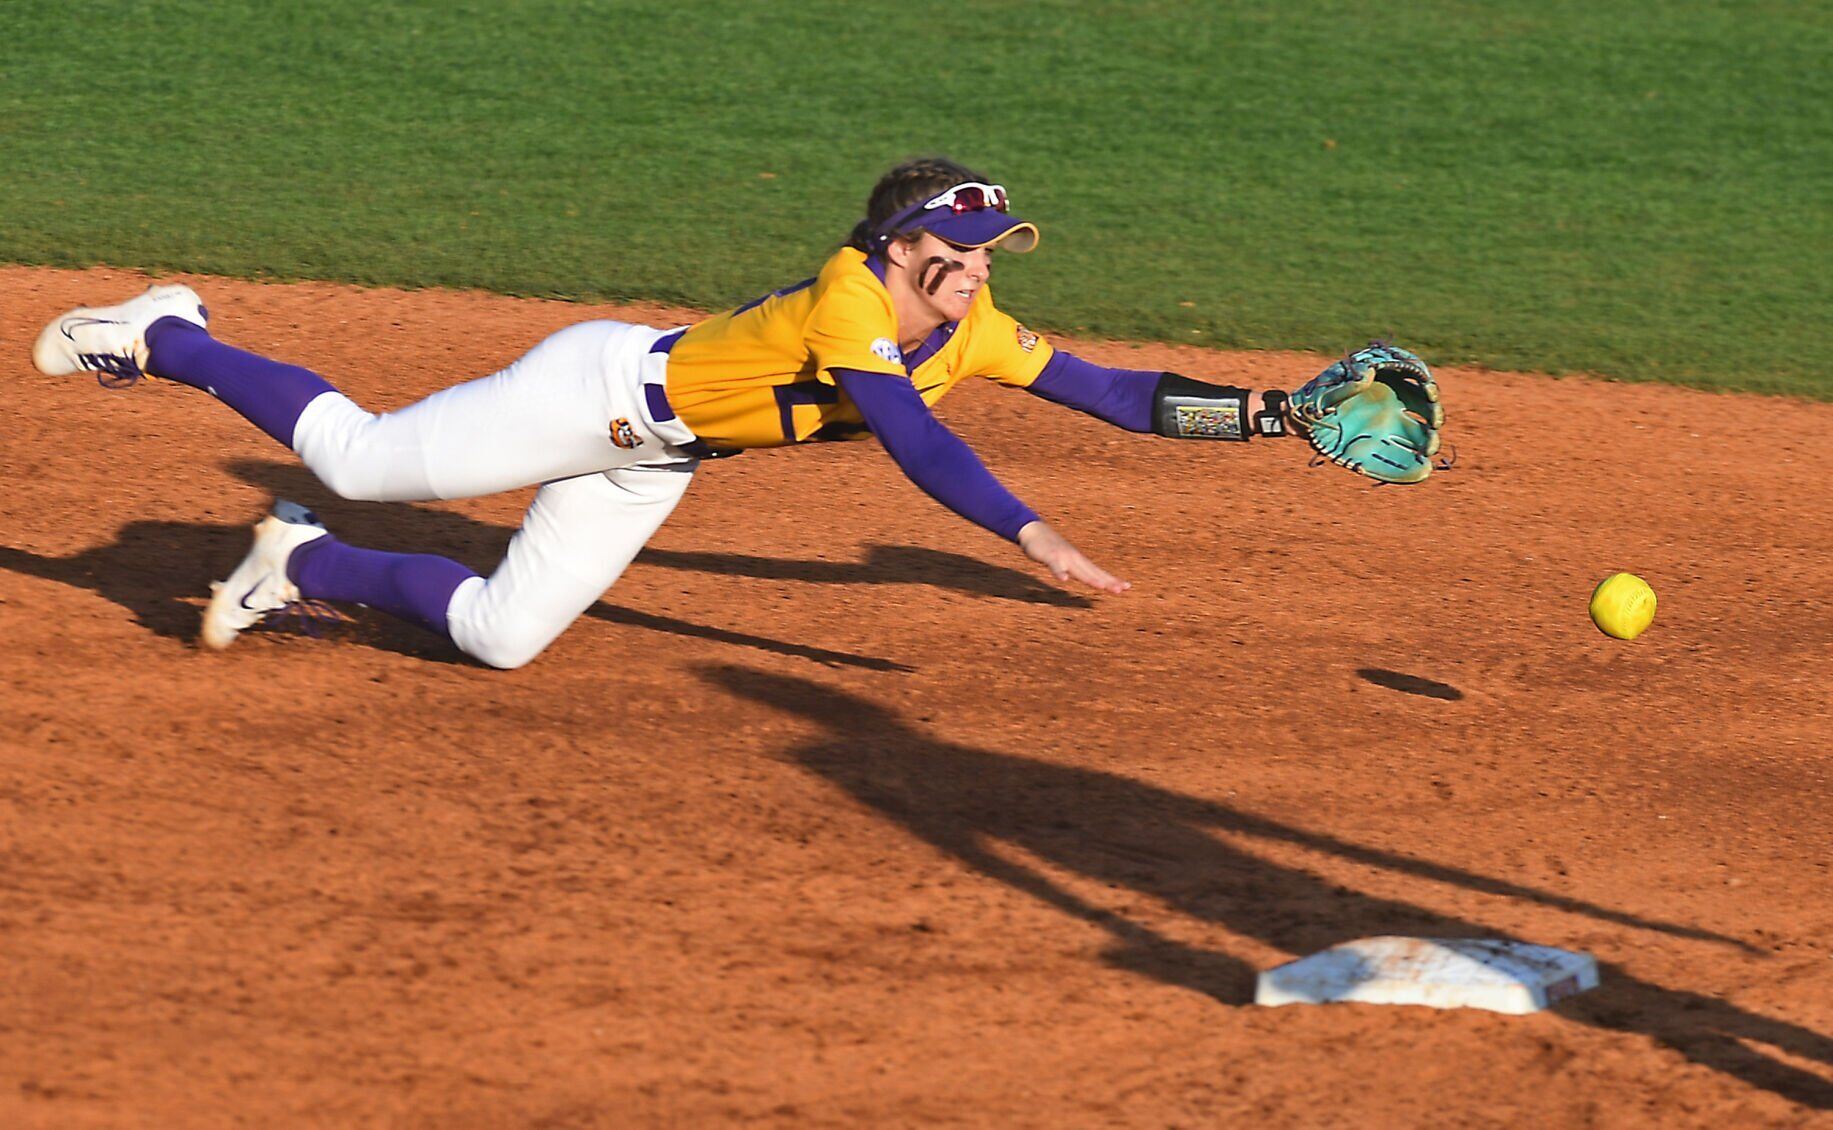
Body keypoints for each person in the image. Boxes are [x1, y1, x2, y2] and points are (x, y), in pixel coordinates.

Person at [33, 157, 1311, 669]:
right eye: (962, 247)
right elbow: (915, 438)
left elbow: (1118, 393)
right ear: (902, 241)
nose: (981, 269)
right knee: (364, 454)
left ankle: (300, 560)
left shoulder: (970, 324)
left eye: (991, 250)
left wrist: (1281, 413)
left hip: (656, 458)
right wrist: (1028, 533)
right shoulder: (846, 299)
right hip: (588, 391)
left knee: (500, 636)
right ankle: (168, 334)